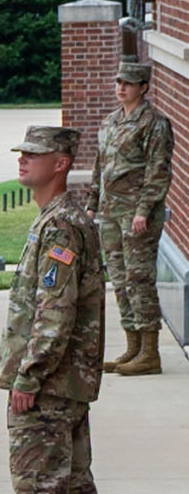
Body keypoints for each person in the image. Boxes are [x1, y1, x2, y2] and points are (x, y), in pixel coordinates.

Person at [0, 124, 112, 494]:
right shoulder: (58, 219)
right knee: (76, 479)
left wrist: (29, 376)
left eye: (34, 155)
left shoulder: (61, 225)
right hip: (69, 382)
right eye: (22, 153)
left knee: (38, 483)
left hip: (51, 382)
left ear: (60, 163)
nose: (24, 161)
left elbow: (53, 310)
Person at [95, 59, 171, 375]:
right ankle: (133, 347)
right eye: (118, 82)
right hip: (110, 211)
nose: (121, 87)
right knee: (121, 280)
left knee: (140, 279)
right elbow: (101, 166)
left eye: (128, 83)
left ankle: (150, 353)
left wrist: (143, 211)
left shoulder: (155, 123)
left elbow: (158, 170)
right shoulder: (111, 121)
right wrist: (91, 203)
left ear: (143, 87)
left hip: (137, 215)